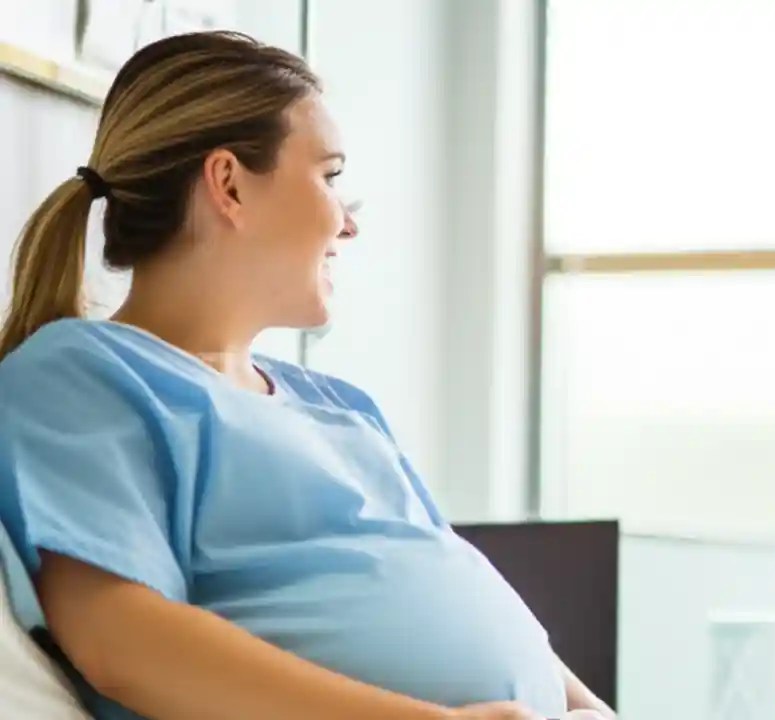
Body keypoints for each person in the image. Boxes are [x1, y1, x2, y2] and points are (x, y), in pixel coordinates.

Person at [0, 31, 614, 720]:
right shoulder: (81, 374)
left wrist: (586, 706)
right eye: (330, 176)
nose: (347, 226)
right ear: (228, 184)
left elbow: (448, 578)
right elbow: (121, 641)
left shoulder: (339, 406)